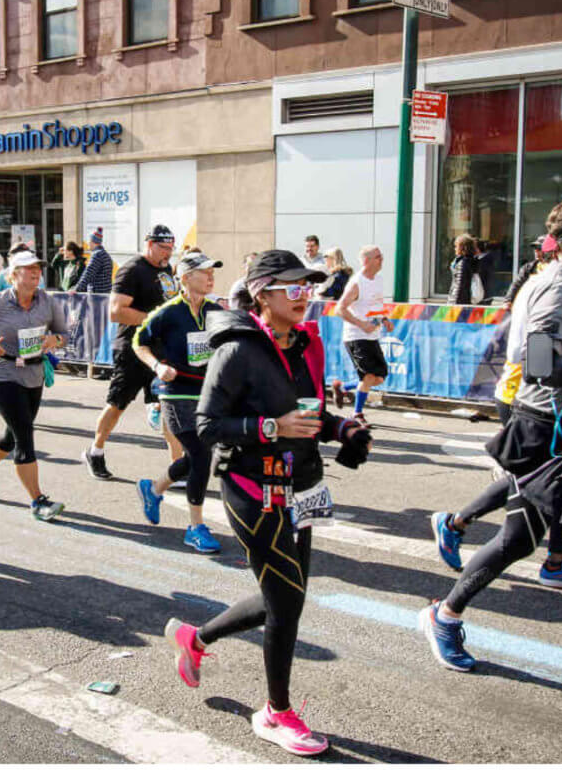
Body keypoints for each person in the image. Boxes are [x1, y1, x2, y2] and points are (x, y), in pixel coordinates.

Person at [163, 249, 371, 757]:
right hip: (252, 489)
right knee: (286, 603)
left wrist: (344, 429)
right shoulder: (237, 350)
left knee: (287, 595)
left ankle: (196, 637)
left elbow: (311, 412)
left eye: (309, 288)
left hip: (302, 484)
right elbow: (207, 426)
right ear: (262, 293)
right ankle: (276, 712)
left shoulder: (306, 344)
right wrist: (270, 428)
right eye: (294, 288)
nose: (306, 297)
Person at [422, 194, 562, 675]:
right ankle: (445, 613)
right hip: (549, 430)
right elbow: (539, 365)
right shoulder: (559, 287)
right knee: (519, 539)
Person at [430, 225, 562, 589]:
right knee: (548, 479)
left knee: (557, 479)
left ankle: (552, 559)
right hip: (528, 396)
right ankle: (457, 529)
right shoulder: (551, 285)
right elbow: (535, 356)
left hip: (551, 399)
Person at [0, 250, 71, 521]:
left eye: (38, 268)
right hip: (2, 373)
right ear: (13, 275)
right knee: (24, 435)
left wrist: (54, 340)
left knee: (12, 434)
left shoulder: (47, 302)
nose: (36, 273)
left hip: (34, 373)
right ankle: (38, 501)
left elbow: (65, 333)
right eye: (28, 268)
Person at [131, 250, 225, 553]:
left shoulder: (216, 309)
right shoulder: (168, 312)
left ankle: (154, 489)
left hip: (208, 395)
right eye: (204, 272)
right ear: (185, 278)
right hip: (176, 395)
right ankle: (195, 527)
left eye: (213, 272)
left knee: (195, 457)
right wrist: (158, 367)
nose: (211, 277)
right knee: (200, 457)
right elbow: (138, 342)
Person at [83, 226, 180, 480]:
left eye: (171, 248)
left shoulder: (166, 269)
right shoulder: (132, 269)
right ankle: (95, 450)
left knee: (169, 406)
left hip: (160, 351)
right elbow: (115, 311)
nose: (168, 253)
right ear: (149, 244)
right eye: (163, 248)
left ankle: (177, 469)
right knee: (117, 405)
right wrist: (153, 319)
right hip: (133, 349)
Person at [326, 245, 391, 420]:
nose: (382, 259)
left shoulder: (378, 279)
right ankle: (358, 413)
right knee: (368, 376)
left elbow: (376, 304)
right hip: (356, 336)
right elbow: (340, 309)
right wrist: (361, 324)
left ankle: (343, 388)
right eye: (378, 257)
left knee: (379, 378)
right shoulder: (356, 282)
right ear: (366, 261)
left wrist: (384, 319)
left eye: (381, 256)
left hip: (372, 335)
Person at [73, 228, 113, 295]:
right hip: (105, 294)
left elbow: (88, 273)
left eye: (89, 241)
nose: (88, 243)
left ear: (92, 242)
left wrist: (76, 289)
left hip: (97, 295)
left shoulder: (97, 255)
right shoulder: (106, 255)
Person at [448, 233, 481, 305]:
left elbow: (460, 284)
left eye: (456, 246)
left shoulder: (463, 263)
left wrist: (453, 302)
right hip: (465, 299)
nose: (455, 249)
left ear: (462, 248)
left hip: (458, 301)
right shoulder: (470, 261)